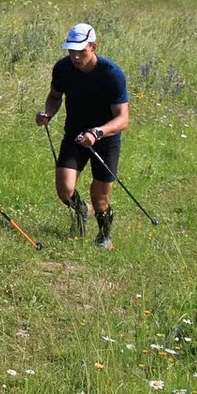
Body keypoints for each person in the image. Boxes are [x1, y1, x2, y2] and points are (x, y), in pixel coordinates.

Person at [34, 23, 130, 249]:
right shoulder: (62, 68)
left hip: (105, 140)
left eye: (81, 51)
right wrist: (48, 113)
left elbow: (122, 119)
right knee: (65, 191)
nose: (76, 56)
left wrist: (97, 133)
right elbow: (55, 96)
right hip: (75, 136)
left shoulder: (111, 74)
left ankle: (104, 235)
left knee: (100, 197)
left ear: (93, 46)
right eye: (71, 51)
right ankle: (80, 211)